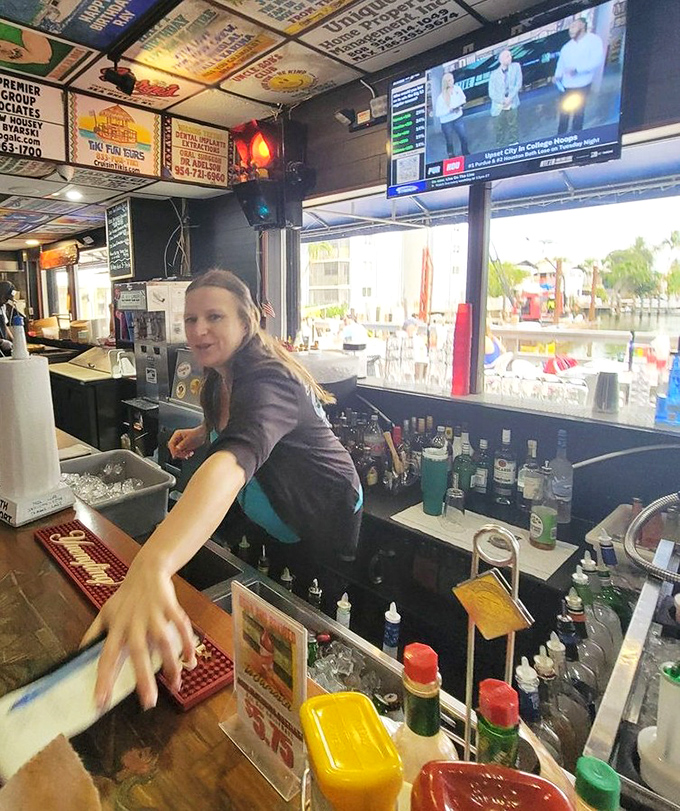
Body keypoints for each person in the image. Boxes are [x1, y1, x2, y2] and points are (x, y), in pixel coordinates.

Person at [82, 270, 362, 710]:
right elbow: (230, 428)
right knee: (275, 589)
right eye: (191, 319)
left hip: (322, 510)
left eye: (214, 316)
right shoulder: (218, 373)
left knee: (315, 614)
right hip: (275, 507)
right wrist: (201, 432)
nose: (199, 330)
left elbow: (234, 459)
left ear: (247, 321)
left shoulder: (270, 378)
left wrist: (153, 563)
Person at [553, 17, 604, 135]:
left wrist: (578, 70)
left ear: (582, 26)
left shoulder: (594, 40)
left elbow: (597, 60)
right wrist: (557, 76)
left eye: (573, 27)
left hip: (582, 84)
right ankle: (560, 138)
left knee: (578, 112)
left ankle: (576, 138)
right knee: (564, 113)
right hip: (565, 86)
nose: (570, 30)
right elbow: (560, 63)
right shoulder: (566, 47)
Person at [488, 49, 523, 146]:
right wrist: (502, 101)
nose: (510, 58)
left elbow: (518, 84)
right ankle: (500, 146)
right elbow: (491, 92)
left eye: (510, 55)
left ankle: (514, 142)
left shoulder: (516, 67)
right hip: (499, 105)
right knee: (499, 128)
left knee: (513, 124)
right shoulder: (494, 74)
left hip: (512, 101)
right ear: (501, 60)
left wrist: (510, 98)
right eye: (507, 56)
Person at [434, 71, 469, 157]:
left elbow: (463, 99)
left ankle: (466, 152)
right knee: (449, 140)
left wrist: (460, 107)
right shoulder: (441, 98)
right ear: (445, 83)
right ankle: (451, 156)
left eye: (452, 79)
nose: (452, 81)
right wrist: (449, 111)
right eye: (449, 80)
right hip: (446, 122)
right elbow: (438, 114)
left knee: (463, 136)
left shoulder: (457, 89)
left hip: (458, 118)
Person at [0, 281, 15, 355]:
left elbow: (5, 327)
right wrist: (1, 342)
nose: (6, 302)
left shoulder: (2, 307)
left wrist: (15, 342)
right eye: (6, 299)